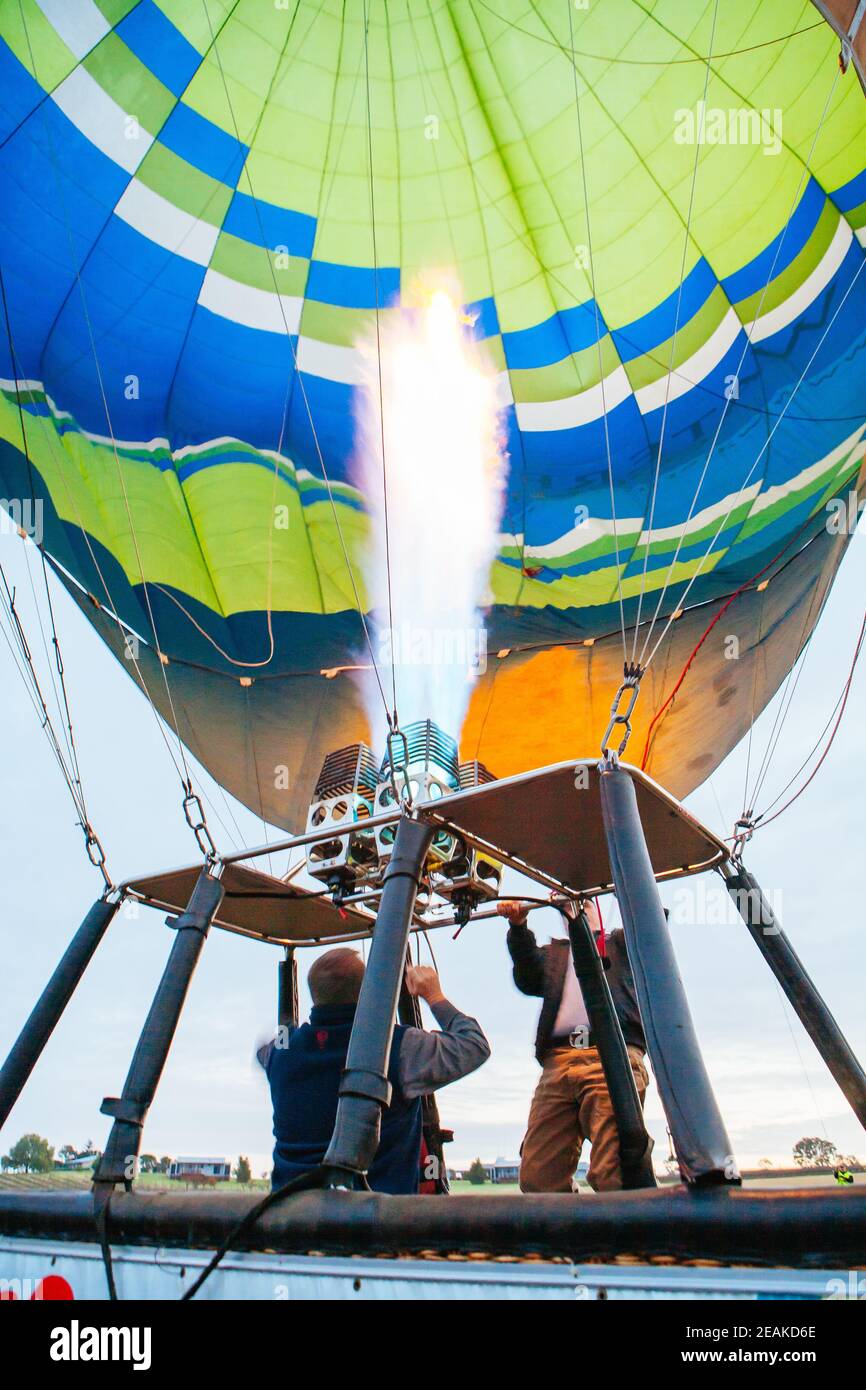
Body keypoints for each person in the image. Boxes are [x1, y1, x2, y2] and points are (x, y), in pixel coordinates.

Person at [257, 947, 490, 1193]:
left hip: (293, 1216)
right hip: (375, 1219)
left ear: (314, 993)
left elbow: (268, 1049)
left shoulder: (279, 1052)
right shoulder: (398, 1046)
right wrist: (434, 996)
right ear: (369, 990)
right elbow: (475, 1045)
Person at [498, 895, 650, 1193]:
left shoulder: (621, 945)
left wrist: (619, 876)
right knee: (538, 1178)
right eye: (567, 908)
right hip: (559, 1062)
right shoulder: (556, 955)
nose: (575, 910)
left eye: (584, 904)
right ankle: (572, 1234)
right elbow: (528, 974)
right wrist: (518, 927)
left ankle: (626, 1235)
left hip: (611, 1055)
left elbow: (647, 922)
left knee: (613, 1170)